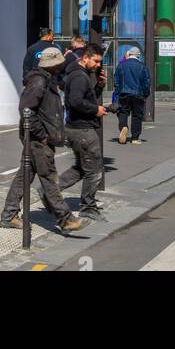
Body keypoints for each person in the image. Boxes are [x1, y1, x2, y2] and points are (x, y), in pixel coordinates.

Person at [0, 47, 84, 234]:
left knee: (25, 176)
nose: (63, 64)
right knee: (48, 177)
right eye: (61, 62)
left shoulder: (48, 79)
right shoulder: (39, 81)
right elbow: (26, 110)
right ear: (54, 64)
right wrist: (43, 135)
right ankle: (65, 218)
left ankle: (9, 214)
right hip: (38, 140)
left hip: (39, 138)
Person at [60, 41, 108, 219]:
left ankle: (51, 191)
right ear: (85, 58)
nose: (98, 65)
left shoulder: (79, 74)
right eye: (95, 61)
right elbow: (75, 101)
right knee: (95, 170)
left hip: (77, 128)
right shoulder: (80, 76)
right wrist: (96, 110)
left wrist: (99, 87)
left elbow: (84, 98)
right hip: (83, 130)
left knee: (81, 168)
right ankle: (88, 206)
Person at [113, 45, 150, 144]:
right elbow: (146, 82)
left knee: (122, 112)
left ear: (129, 54)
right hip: (138, 94)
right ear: (138, 56)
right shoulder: (142, 67)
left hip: (123, 93)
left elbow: (116, 80)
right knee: (137, 115)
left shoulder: (121, 65)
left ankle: (123, 127)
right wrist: (146, 94)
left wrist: (117, 91)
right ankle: (135, 138)